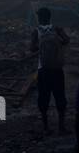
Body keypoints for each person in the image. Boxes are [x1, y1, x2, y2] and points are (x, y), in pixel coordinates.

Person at [30, 7, 70, 135]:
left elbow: (32, 48)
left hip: (43, 70)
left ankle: (46, 127)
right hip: (57, 70)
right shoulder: (57, 29)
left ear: (40, 18)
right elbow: (67, 40)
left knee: (43, 98)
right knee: (60, 97)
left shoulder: (36, 31)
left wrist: (40, 47)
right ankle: (61, 127)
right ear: (49, 17)